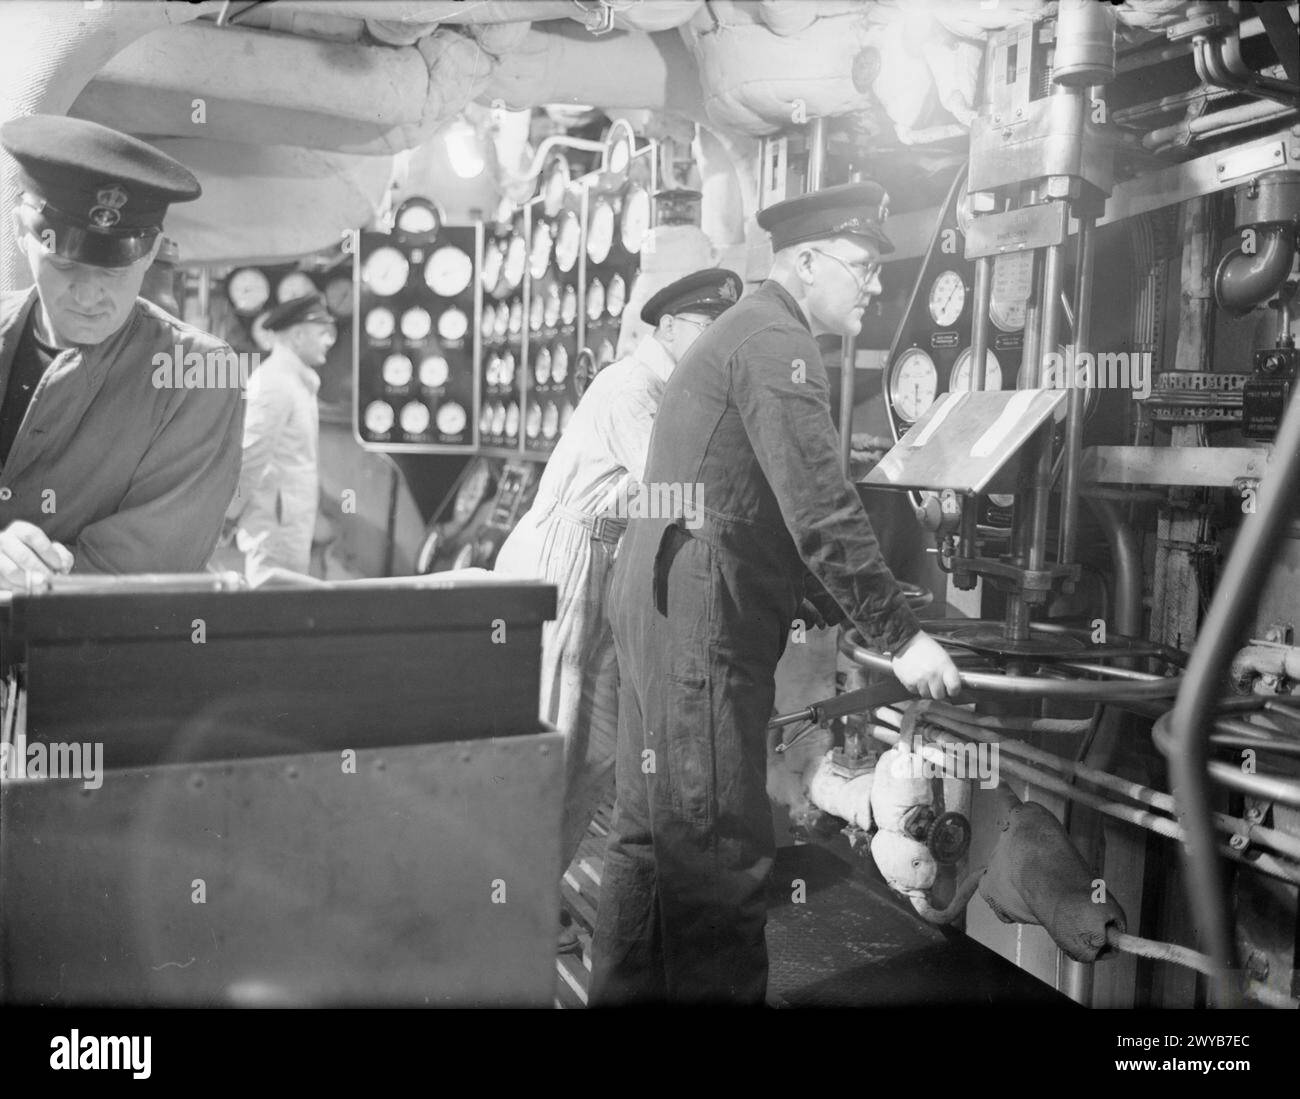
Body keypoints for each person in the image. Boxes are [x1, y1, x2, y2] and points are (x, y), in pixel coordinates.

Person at [591, 182, 963, 1004]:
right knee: (718, 857)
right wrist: (900, 636)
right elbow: (820, 506)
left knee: (651, 840)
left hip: (661, 595)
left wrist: (855, 602)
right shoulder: (774, 343)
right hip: (699, 614)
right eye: (862, 266)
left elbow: (758, 508)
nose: (874, 284)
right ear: (805, 261)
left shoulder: (752, 330)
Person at [495, 267, 742, 946]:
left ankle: (534, 884)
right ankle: (511, 903)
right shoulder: (630, 386)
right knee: (557, 736)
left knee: (599, 747)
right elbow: (666, 492)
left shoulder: (664, 389)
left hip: (602, 559)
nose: (714, 340)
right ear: (666, 328)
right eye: (703, 326)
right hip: (566, 560)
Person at [0, 114, 243, 589]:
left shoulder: (198, 373)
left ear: (150, 254)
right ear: (19, 232)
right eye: (65, 263)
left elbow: (147, 568)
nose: (89, 296)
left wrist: (19, 579)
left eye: (114, 271)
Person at [221, 292, 335, 579]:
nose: (329, 340)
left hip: (288, 520)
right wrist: (229, 515)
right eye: (322, 333)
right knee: (270, 604)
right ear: (297, 336)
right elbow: (249, 458)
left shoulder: (294, 381)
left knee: (284, 602)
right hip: (275, 524)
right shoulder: (274, 383)